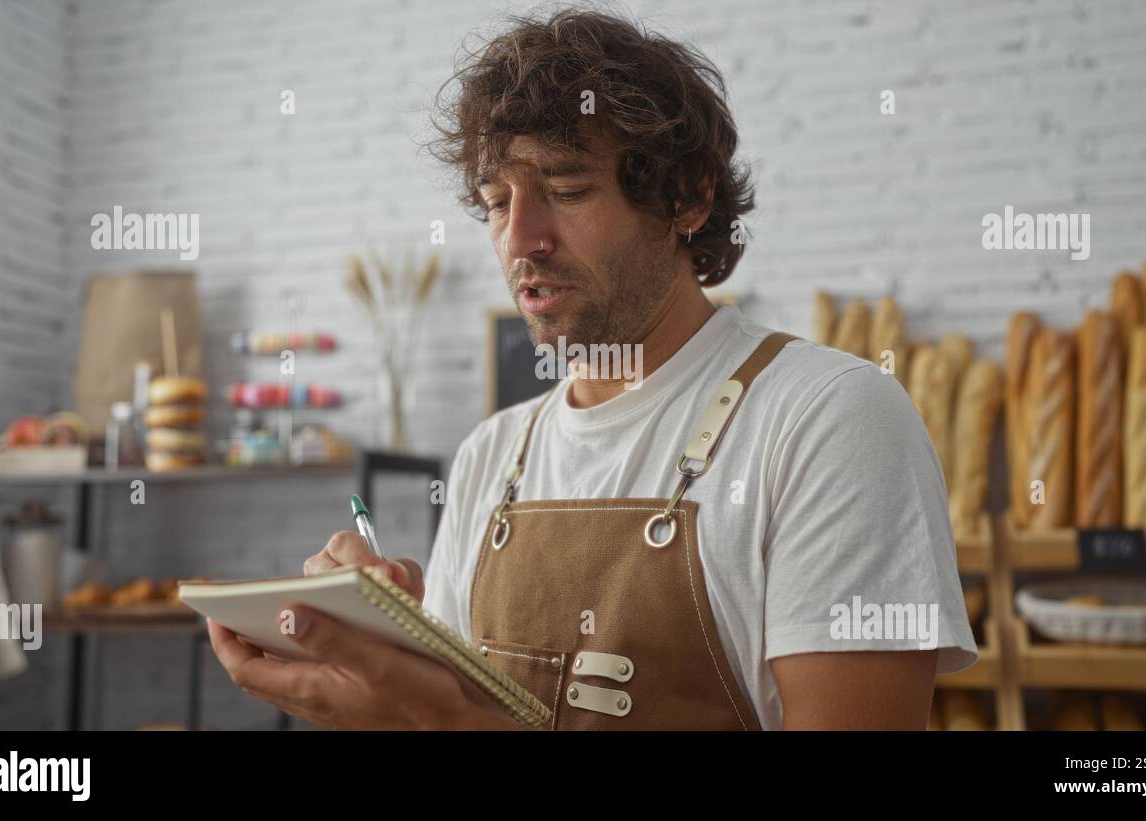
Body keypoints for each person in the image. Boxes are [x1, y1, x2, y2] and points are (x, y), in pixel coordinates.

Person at [208, 8, 977, 730]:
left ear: (689, 198)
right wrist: (382, 677)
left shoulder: (830, 421)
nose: (521, 238)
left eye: (567, 190)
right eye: (495, 202)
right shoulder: (490, 456)